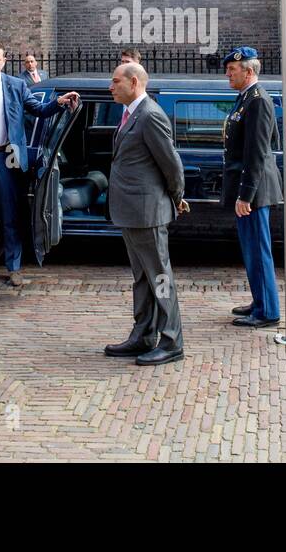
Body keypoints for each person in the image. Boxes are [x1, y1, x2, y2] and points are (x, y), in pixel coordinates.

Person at [0, 43, 79, 287]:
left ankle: (13, 267)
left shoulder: (17, 85)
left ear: (5, 61)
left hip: (6, 158)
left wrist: (59, 102)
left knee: (10, 215)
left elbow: (39, 110)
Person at [104, 62, 187, 366]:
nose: (111, 87)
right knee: (142, 277)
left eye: (115, 82)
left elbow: (172, 165)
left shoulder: (150, 115)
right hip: (131, 212)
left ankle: (171, 340)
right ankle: (143, 334)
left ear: (134, 82)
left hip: (147, 212)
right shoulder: (130, 114)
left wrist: (177, 198)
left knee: (160, 277)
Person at [221, 46, 282, 328]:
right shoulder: (245, 98)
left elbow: (257, 152)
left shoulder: (257, 100)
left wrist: (246, 194)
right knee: (251, 249)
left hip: (255, 191)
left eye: (232, 70)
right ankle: (259, 300)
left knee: (259, 250)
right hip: (250, 188)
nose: (228, 75)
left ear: (248, 71)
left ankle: (267, 311)